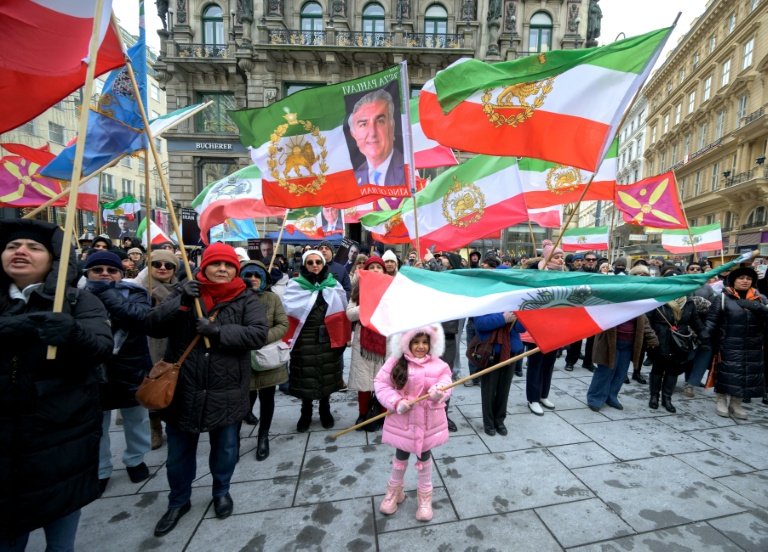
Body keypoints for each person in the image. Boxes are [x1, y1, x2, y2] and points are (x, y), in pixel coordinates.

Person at [0, 219, 113, 551]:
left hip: (61, 435)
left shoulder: (78, 302)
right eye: (12, 246)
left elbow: (101, 348)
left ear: (55, 259)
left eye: (33, 247)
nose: (20, 251)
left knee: (61, 539)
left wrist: (73, 333)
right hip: (5, 437)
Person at [144, 242, 268, 536]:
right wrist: (181, 302)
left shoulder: (247, 298)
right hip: (184, 387)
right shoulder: (184, 290)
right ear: (204, 266)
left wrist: (219, 332)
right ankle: (178, 501)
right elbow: (153, 326)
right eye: (215, 264)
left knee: (225, 448)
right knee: (178, 453)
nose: (222, 269)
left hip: (227, 387)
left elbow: (258, 334)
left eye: (228, 265)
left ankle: (221, 491)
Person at [82, 251, 153, 496]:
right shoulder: (75, 295)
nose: (104, 274)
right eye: (97, 270)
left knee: (136, 418)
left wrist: (106, 293)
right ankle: (101, 468)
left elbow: (139, 317)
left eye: (111, 270)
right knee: (96, 423)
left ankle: (135, 459)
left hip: (131, 365)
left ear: (121, 274)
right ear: (87, 273)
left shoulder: (136, 293)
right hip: (91, 368)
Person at [374, 324, 452, 521]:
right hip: (403, 422)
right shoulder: (395, 361)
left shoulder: (439, 365)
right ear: (406, 342)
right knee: (400, 455)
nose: (420, 346)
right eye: (415, 342)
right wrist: (396, 402)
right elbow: (381, 383)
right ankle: (394, 490)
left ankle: (424, 497)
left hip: (427, 423)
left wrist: (439, 392)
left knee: (424, 456)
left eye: (425, 342)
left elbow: (446, 382)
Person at [285, 250, 351, 431]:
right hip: (303, 341)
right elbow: (287, 313)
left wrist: (342, 338)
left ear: (323, 264)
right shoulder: (294, 286)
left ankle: (325, 409)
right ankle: (305, 411)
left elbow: (342, 314)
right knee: (305, 377)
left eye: (318, 262)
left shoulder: (334, 285)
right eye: (310, 262)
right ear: (304, 265)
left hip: (328, 339)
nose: (314, 265)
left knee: (326, 376)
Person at [129, 249, 180, 450]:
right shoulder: (138, 287)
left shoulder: (181, 287)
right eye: (157, 264)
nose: (162, 268)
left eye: (168, 265)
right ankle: (154, 428)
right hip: (147, 342)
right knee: (151, 382)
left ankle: (173, 424)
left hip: (173, 341)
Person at [240, 260, 288, 460]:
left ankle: (263, 436)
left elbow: (282, 324)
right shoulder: (234, 298)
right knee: (244, 399)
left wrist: (261, 338)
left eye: (257, 275)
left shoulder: (272, 298)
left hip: (267, 356)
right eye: (248, 275)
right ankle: (233, 440)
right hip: (241, 358)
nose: (253, 279)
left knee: (267, 398)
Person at [707, 266, 768, 419]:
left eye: (748, 278)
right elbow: (712, 321)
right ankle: (721, 400)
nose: (744, 281)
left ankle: (736, 403)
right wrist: (704, 337)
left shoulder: (761, 299)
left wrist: (760, 309)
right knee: (726, 373)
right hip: (728, 344)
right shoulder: (722, 298)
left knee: (745, 375)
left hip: (753, 345)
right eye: (741, 278)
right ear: (733, 280)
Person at [646, 268, 709, 414]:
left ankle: (667, 398)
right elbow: (648, 321)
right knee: (658, 369)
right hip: (659, 339)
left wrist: (704, 335)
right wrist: (650, 339)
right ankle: (654, 396)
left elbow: (695, 321)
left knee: (673, 370)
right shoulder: (657, 299)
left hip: (680, 340)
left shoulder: (688, 301)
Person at [347, 256, 388, 430]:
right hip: (362, 341)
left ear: (384, 271)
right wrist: (367, 305)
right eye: (372, 267)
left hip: (386, 340)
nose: (375, 270)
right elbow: (350, 314)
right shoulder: (358, 289)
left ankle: (384, 415)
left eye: (379, 267)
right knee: (363, 381)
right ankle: (362, 414)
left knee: (385, 380)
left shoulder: (391, 289)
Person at [586, 312, 658, 412]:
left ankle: (611, 396)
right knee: (605, 371)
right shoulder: (613, 304)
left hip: (628, 345)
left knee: (621, 372)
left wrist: (652, 338)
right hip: (609, 343)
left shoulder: (638, 307)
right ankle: (595, 398)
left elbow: (645, 324)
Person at [526, 240, 567, 415]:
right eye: (557, 257)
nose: (560, 260)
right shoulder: (535, 272)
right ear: (548, 258)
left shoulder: (565, 274)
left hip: (555, 326)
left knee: (549, 363)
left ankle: (543, 395)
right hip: (537, 326)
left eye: (562, 257)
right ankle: (533, 398)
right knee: (536, 363)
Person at [475, 309, 524, 435]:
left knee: (504, 388)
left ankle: (500, 420)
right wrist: (503, 318)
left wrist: (520, 315)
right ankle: (488, 422)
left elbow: (521, 329)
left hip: (511, 350)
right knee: (489, 389)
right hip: (490, 351)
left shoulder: (515, 303)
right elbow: (480, 323)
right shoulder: (486, 301)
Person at [349, 89, 405, 187]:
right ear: (354, 135)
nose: (372, 133)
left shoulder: (410, 171)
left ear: (392, 127)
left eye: (380, 122)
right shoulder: (352, 180)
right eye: (363, 124)